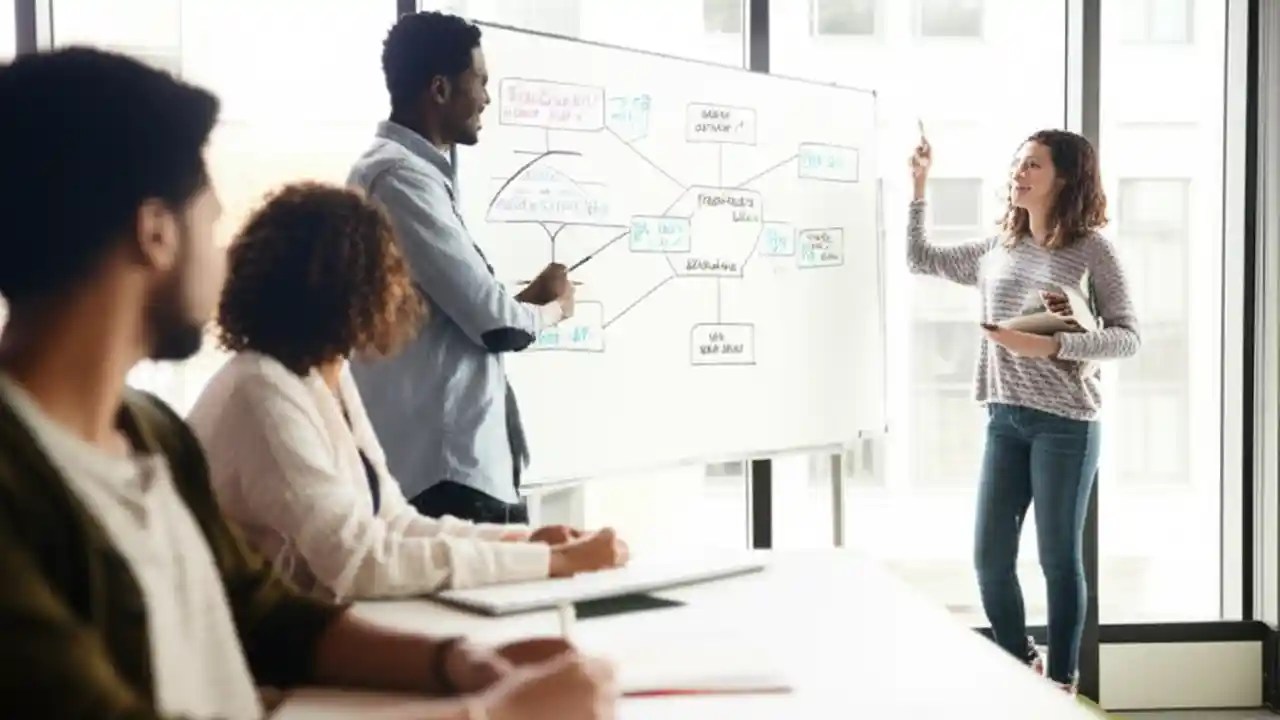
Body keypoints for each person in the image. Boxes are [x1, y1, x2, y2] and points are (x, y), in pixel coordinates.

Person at [0, 47, 615, 720]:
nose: (223, 254)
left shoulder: (150, 433)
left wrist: (457, 665)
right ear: (155, 234)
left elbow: (266, 618)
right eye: (211, 223)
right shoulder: (18, 484)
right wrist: (493, 714)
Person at [188, 182, 628, 602]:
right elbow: (358, 562)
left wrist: (528, 541)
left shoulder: (318, 377)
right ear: (356, 289)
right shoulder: (263, 391)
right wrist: (551, 561)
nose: (402, 289)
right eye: (391, 270)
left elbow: (394, 522)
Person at [906, 128, 1139, 692]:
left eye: (1033, 165)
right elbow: (920, 258)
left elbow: (1128, 337)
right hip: (1004, 420)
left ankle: (1063, 682)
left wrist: (1052, 345)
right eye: (1017, 164)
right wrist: (919, 186)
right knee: (990, 561)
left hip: (1066, 425)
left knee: (1058, 560)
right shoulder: (997, 248)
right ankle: (1019, 663)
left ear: (1064, 177)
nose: (1019, 173)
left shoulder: (1092, 250)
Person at [348, 11, 573, 523]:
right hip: (445, 475)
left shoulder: (407, 174)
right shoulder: (399, 178)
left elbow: (460, 312)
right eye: (481, 82)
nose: (487, 99)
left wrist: (523, 303)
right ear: (440, 89)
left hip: (445, 471)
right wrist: (556, 308)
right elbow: (494, 326)